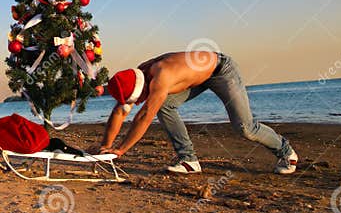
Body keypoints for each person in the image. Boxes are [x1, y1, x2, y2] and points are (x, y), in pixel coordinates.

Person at [96, 50, 298, 174]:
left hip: (221, 70)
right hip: (198, 76)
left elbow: (145, 115)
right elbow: (120, 112)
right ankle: (189, 160)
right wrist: (105, 147)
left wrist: (120, 149)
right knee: (166, 106)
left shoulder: (161, 77)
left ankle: (286, 153)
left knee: (245, 127)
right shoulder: (138, 75)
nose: (137, 102)